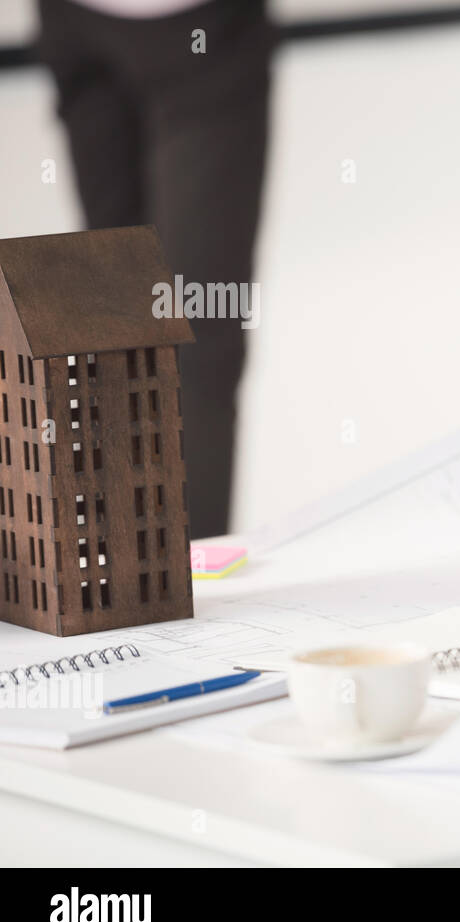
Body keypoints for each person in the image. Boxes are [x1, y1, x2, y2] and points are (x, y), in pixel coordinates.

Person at [35, 0, 274, 539]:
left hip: (202, 29)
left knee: (196, 329)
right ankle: (132, 591)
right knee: (119, 334)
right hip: (77, 27)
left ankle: (190, 597)